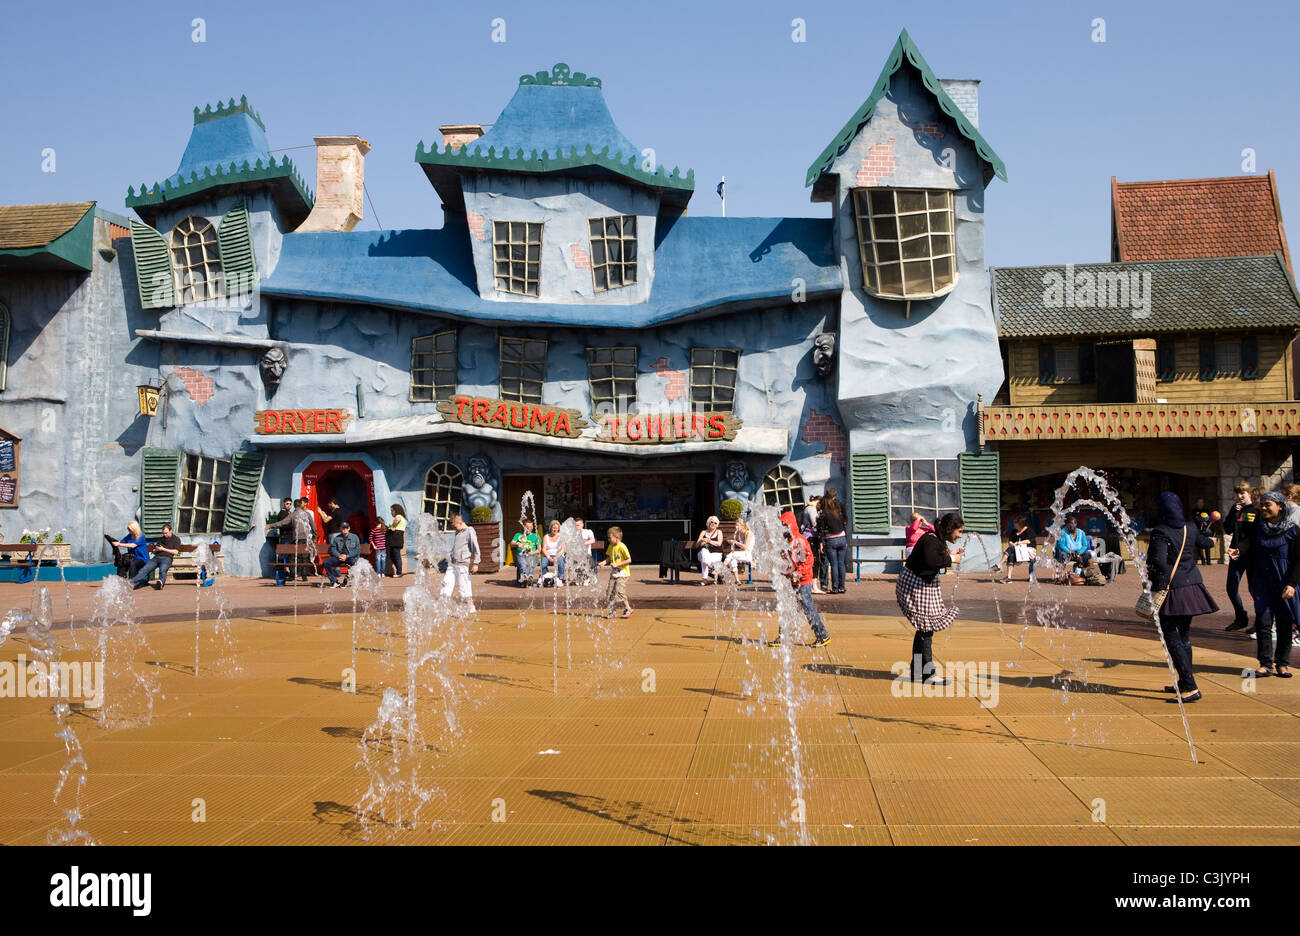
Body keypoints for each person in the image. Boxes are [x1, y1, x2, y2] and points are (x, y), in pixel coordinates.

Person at [1150, 492, 1218, 701]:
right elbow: (1206, 544)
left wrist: (1150, 576)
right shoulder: (1190, 527)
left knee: (1172, 637)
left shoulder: (1161, 531)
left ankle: (1190, 686)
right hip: (1192, 586)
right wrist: (1212, 539)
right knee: (1184, 637)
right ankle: (1183, 682)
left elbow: (1159, 562)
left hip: (1173, 590)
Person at [1229, 490, 1297, 679]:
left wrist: (1292, 584)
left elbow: (1299, 560)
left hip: (1284, 581)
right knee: (1263, 622)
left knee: (1285, 623)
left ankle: (1282, 663)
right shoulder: (1258, 527)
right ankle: (1265, 664)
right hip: (1262, 580)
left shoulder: (1293, 530)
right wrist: (1238, 550)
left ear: (1280, 506)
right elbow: (1247, 543)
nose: (1264, 508)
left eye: (1268, 505)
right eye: (1263, 504)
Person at [896, 512, 964, 683]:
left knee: (924, 629)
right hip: (914, 586)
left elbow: (933, 557)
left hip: (922, 585)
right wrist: (952, 558)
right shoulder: (931, 539)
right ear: (950, 529)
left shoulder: (935, 539)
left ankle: (917, 671)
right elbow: (931, 560)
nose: (960, 535)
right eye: (959, 531)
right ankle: (928, 673)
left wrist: (950, 554)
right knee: (926, 628)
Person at [766, 511, 831, 648]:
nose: (782, 529)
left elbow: (807, 561)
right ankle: (784, 637)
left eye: (784, 525)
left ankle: (822, 635)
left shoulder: (799, 541)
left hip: (802, 580)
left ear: (791, 525)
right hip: (792, 580)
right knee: (787, 608)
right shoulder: (786, 541)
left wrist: (797, 574)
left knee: (807, 608)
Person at [1223, 482, 1257, 631]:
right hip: (1236, 554)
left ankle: (1261, 621)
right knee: (1231, 588)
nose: (1240, 496)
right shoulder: (1236, 509)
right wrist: (1233, 514)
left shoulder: (1256, 510)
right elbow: (1228, 529)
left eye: (1243, 493)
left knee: (1254, 589)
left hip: (1251, 555)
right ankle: (1241, 618)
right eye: (1238, 493)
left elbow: (1254, 535)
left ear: (1249, 493)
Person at [267, 497, 316, 580]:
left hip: (296, 538)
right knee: (304, 556)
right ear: (300, 505)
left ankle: (292, 575)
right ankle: (304, 576)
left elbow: (282, 523)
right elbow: (313, 526)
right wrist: (315, 536)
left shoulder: (292, 515)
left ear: (294, 506)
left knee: (292, 556)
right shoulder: (307, 514)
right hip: (306, 538)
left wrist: (270, 525)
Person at [441, 514, 480, 611]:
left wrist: (476, 563)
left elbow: (476, 548)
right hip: (453, 562)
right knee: (446, 582)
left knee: (464, 585)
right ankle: (442, 603)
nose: (454, 528)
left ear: (460, 523)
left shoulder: (470, 531)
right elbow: (456, 547)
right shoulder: (457, 532)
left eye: (455, 526)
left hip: (463, 562)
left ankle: (470, 606)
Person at [129, 523, 182, 590]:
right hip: (156, 557)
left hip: (167, 558)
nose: (165, 535)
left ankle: (160, 583)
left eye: (166, 533)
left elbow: (176, 552)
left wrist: (163, 549)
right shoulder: (161, 539)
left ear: (171, 531)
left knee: (163, 570)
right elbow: (156, 549)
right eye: (163, 533)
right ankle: (131, 582)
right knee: (144, 570)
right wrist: (156, 550)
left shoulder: (176, 539)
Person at [597, 525, 633, 618]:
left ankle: (628, 608)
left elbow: (629, 560)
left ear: (617, 537)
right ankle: (612, 612)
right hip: (614, 573)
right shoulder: (611, 546)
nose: (608, 539)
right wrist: (604, 562)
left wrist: (617, 564)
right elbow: (609, 557)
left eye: (610, 537)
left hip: (623, 573)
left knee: (619, 590)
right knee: (609, 592)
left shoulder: (622, 547)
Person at [816, 488, 848, 594]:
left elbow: (821, 529)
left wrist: (821, 543)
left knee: (833, 564)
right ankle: (842, 587)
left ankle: (835, 588)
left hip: (831, 539)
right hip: (842, 537)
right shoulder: (838, 508)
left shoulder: (824, 512)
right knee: (841, 564)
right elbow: (845, 520)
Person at [801, 495, 827, 593]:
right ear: (818, 501)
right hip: (811, 538)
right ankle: (813, 587)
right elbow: (814, 523)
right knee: (814, 561)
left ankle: (809, 585)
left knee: (810, 561)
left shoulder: (806, 507)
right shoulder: (811, 509)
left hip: (807, 537)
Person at [1000, 514, 1036, 583]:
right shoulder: (1014, 532)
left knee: (1011, 549)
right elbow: (1010, 541)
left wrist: (1017, 543)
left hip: (1029, 551)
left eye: (1015, 522)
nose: (1014, 524)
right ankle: (1009, 577)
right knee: (1011, 555)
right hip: (1018, 551)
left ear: (1020, 523)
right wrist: (1013, 544)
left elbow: (1028, 541)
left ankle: (999, 564)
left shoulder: (1029, 530)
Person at [324, 521, 360, 588]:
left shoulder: (355, 537)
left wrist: (347, 556)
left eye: (346, 528)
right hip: (340, 557)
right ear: (340, 529)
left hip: (350, 557)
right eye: (343, 528)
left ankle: (346, 581)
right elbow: (333, 549)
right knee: (326, 563)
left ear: (349, 528)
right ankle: (334, 581)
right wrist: (339, 555)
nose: (344, 529)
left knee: (354, 562)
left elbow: (357, 550)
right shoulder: (337, 538)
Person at [723, 518, 755, 582]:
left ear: (742, 525)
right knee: (733, 560)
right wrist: (730, 541)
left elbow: (745, 547)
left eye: (737, 526)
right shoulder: (739, 533)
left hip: (748, 554)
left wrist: (736, 542)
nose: (736, 527)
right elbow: (728, 539)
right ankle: (737, 580)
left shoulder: (748, 533)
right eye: (735, 526)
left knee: (731, 554)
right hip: (741, 554)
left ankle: (721, 568)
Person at [695, 516, 725, 584]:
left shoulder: (719, 532)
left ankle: (704, 580)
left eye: (715, 523)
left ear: (717, 525)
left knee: (704, 560)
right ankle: (711, 567)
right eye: (712, 522)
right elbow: (696, 545)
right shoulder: (703, 532)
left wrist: (709, 541)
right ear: (708, 523)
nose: (713, 524)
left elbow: (719, 544)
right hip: (704, 553)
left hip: (716, 553)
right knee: (703, 552)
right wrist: (701, 541)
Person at [511, 518, 541, 586]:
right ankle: (527, 578)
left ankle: (525, 579)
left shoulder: (536, 536)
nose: (529, 529)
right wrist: (517, 544)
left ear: (533, 527)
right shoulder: (518, 535)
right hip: (521, 554)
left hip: (532, 555)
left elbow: (539, 549)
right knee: (523, 564)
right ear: (524, 527)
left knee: (531, 561)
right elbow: (511, 543)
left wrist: (532, 552)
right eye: (527, 527)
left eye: (530, 527)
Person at [541, 519, 566, 583]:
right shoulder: (546, 536)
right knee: (543, 563)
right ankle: (545, 577)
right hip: (548, 555)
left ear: (558, 529)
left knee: (560, 562)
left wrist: (556, 557)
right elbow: (543, 549)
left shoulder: (561, 537)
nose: (555, 529)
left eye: (556, 528)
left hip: (558, 555)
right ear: (550, 528)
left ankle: (560, 578)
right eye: (553, 528)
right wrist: (548, 557)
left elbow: (562, 549)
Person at [386, 504, 407, 578]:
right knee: (392, 555)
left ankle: (399, 572)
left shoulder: (398, 516)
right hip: (395, 538)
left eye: (392, 511)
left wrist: (392, 526)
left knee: (396, 555)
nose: (391, 512)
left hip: (396, 538)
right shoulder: (401, 517)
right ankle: (399, 570)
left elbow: (397, 520)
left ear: (396, 510)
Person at [1191, 497, 1213, 565]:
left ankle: (1208, 561)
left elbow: (1208, 519)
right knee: (1199, 545)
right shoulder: (1194, 511)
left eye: (1202, 502)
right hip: (1197, 530)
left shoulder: (1206, 510)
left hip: (1205, 529)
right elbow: (1196, 518)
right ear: (1196, 503)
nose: (1201, 504)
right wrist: (1201, 518)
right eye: (1199, 502)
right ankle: (1203, 560)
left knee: (1207, 544)